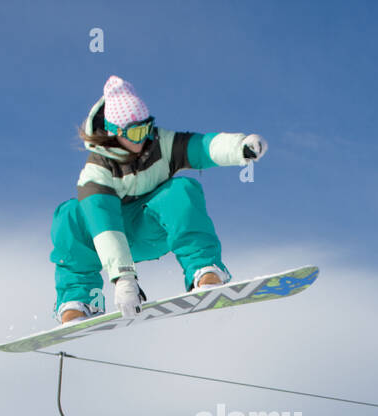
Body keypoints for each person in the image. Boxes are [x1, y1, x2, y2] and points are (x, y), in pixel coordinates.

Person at [51, 75, 268, 324]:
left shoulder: (160, 143)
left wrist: (239, 147)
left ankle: (204, 270)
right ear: (115, 132)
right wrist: (124, 279)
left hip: (153, 229)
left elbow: (201, 147)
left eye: (146, 128)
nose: (143, 138)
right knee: (69, 214)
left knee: (180, 189)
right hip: (108, 242)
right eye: (135, 133)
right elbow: (105, 227)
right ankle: (80, 301)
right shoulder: (96, 172)